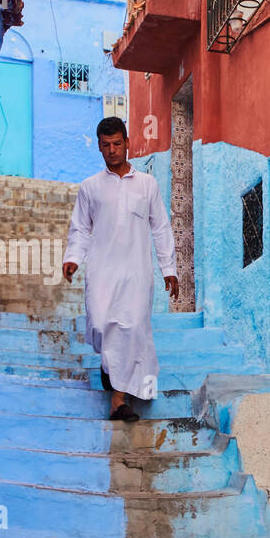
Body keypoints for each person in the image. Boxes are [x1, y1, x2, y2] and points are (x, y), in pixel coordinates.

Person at [62, 116, 180, 421]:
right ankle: (108, 367)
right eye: (106, 145)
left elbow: (161, 228)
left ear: (127, 142)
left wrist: (169, 268)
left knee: (130, 330)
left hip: (137, 273)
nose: (112, 150)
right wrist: (73, 257)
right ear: (99, 148)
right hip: (101, 271)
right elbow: (80, 228)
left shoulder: (147, 185)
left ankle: (119, 399)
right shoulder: (90, 187)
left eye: (117, 143)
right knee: (101, 325)